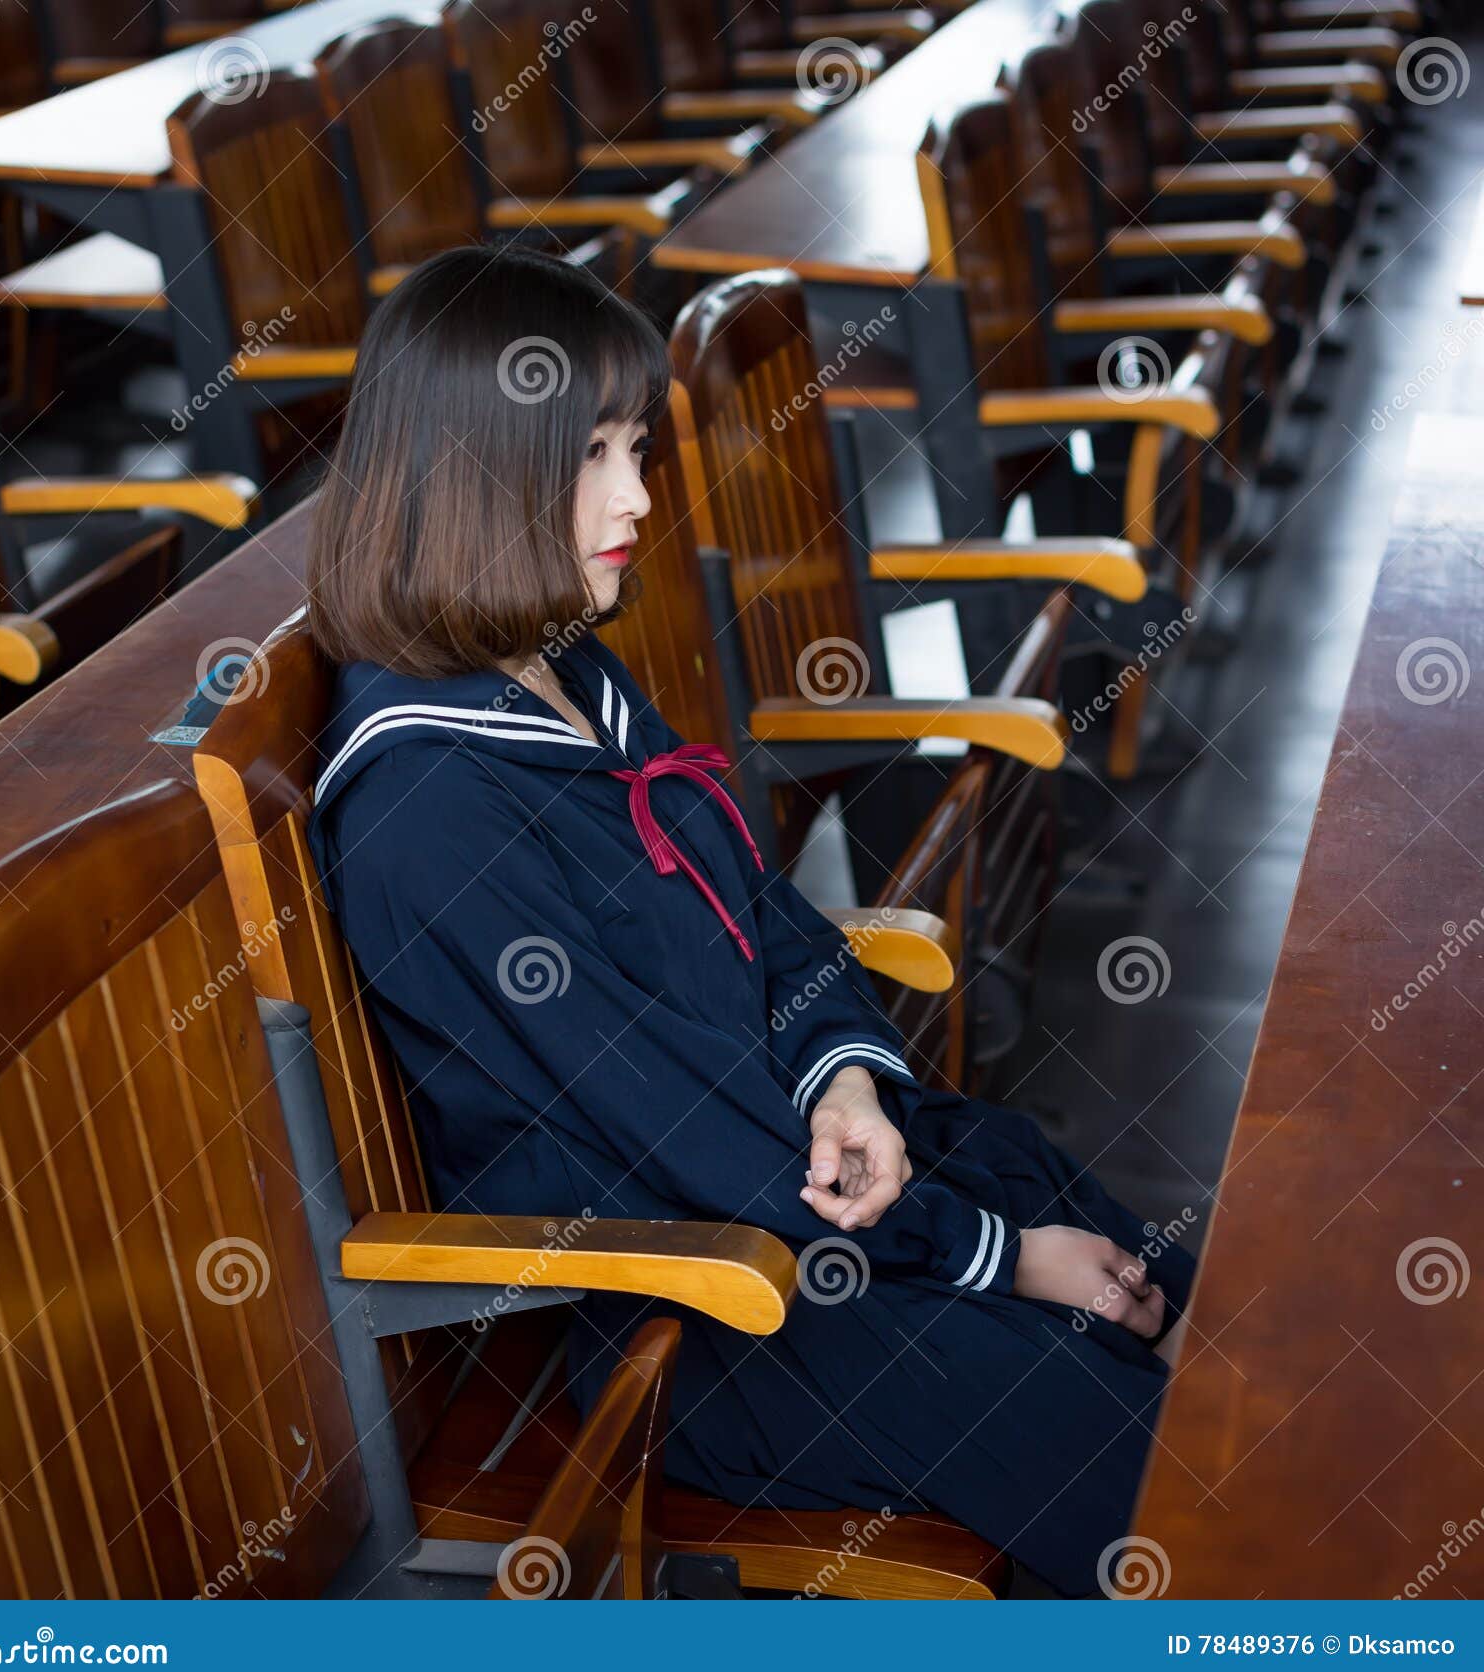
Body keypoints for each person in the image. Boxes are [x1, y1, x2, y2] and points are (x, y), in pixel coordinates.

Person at [304, 245, 1197, 1598]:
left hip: (780, 1184)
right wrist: (995, 1262)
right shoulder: (428, 812)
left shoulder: (559, 669)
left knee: (1067, 1197)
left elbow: (770, 921)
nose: (641, 496)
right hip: (679, 1300)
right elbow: (682, 1135)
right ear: (473, 475)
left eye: (636, 447)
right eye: (593, 455)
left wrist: (844, 1070)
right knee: (1096, 1426)